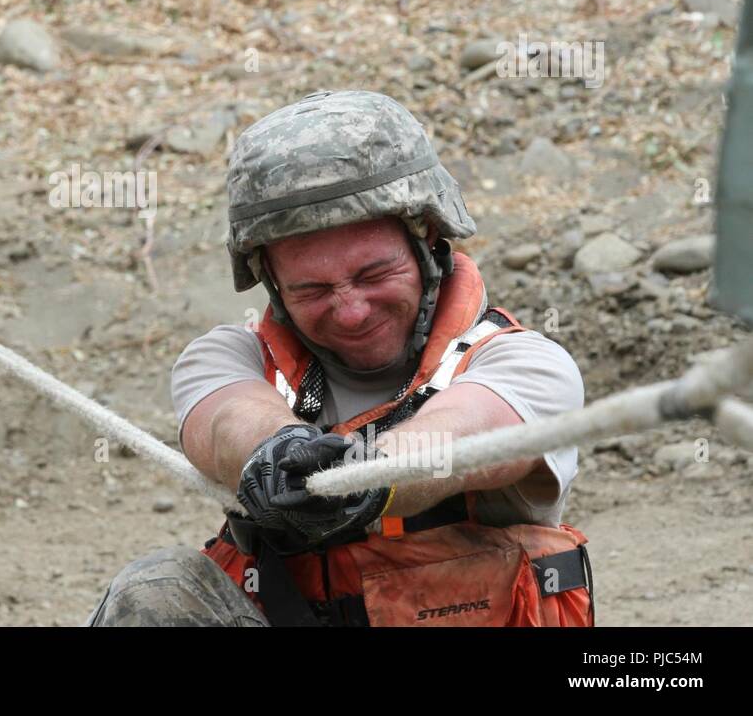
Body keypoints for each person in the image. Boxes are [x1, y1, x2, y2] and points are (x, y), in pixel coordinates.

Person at [90, 90, 594, 627]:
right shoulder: (227, 357)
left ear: (426, 237)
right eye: (312, 289)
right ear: (272, 282)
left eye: (374, 275)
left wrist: (367, 475)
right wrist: (277, 451)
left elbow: (470, 436)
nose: (351, 312)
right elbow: (225, 420)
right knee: (157, 593)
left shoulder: (528, 365)